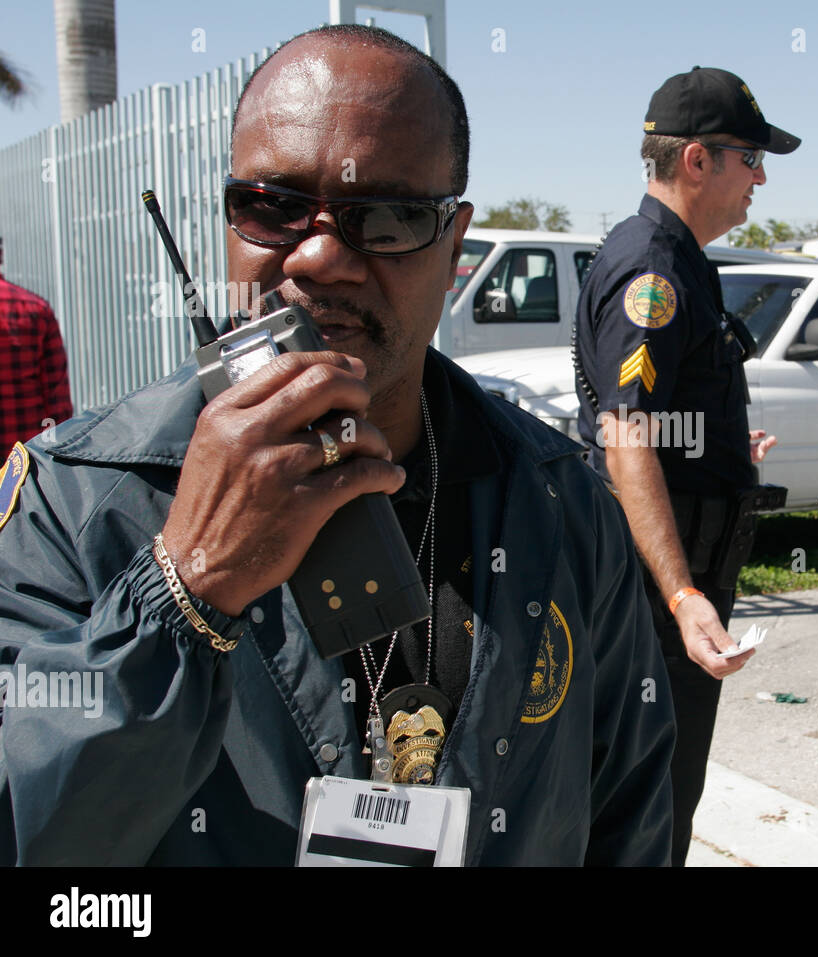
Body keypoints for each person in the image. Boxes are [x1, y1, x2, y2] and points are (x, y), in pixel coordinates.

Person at [0, 25, 674, 866]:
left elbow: (631, 822)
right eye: (273, 206)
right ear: (227, 222)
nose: (320, 256)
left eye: (385, 218)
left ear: (455, 243)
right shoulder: (76, 504)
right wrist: (187, 587)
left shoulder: (560, 503)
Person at [573, 66, 798, 866]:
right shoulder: (654, 272)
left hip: (672, 583)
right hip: (656, 600)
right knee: (649, 812)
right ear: (697, 160)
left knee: (663, 796)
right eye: (750, 158)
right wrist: (680, 592)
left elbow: (660, 422)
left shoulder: (681, 259)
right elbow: (625, 433)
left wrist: (718, 450)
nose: (760, 177)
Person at [0, 239, 74, 454]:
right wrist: (53, 447)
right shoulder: (35, 309)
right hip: (23, 462)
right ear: (2, 255)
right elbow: (56, 400)